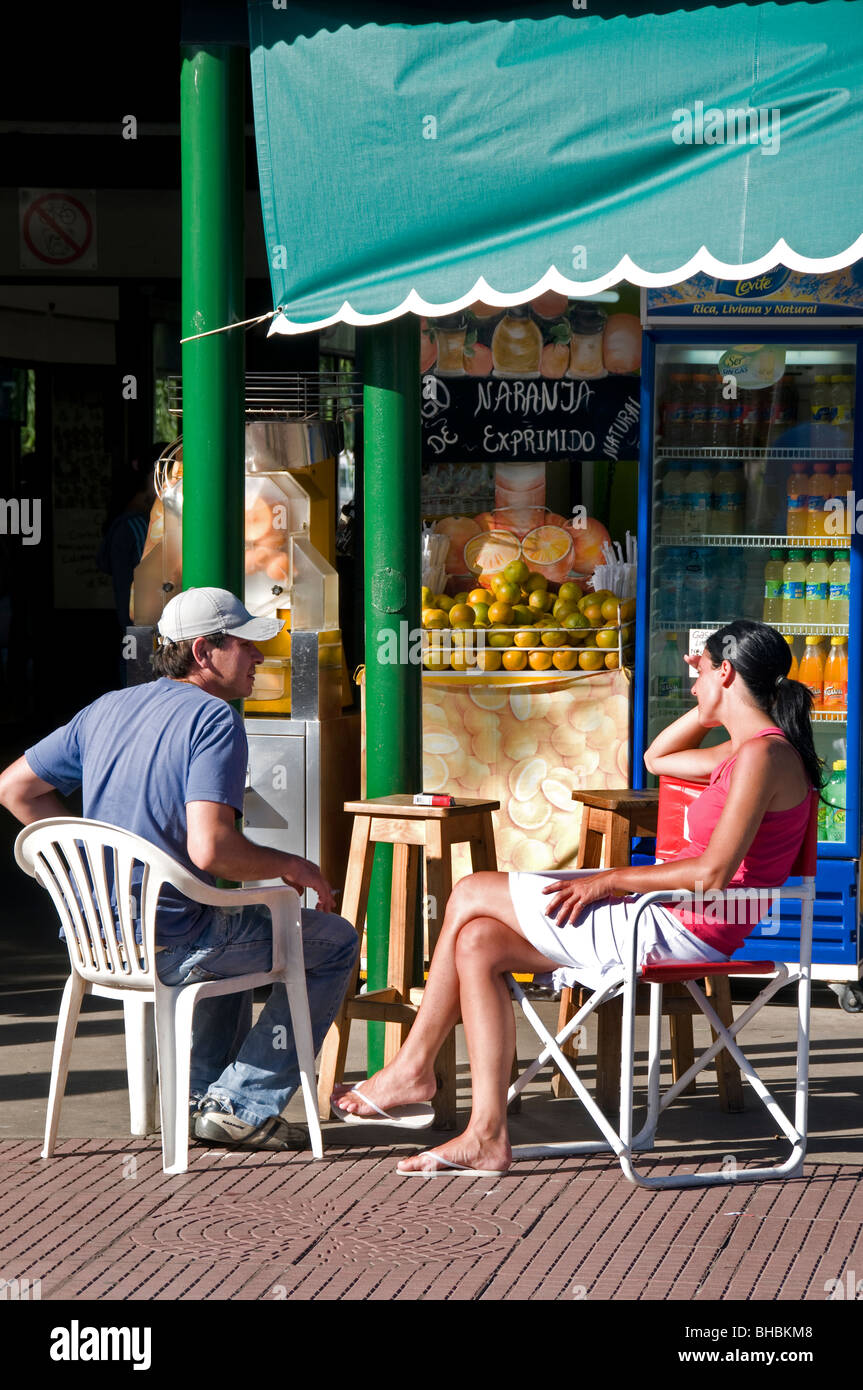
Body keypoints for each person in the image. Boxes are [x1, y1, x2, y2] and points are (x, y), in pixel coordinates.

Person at [332, 620, 821, 1177]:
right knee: (478, 942)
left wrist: (607, 881)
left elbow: (714, 872)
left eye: (702, 672)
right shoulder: (744, 751)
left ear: (727, 672)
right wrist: (713, 701)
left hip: (681, 929)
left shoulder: (762, 757)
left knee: (470, 891)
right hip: (665, 916)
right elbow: (658, 760)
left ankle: (414, 1066)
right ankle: (486, 1135)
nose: (692, 683)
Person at [0, 587, 358, 1152]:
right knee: (332, 939)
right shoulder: (215, 720)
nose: (260, 658)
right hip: (171, 942)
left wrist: (81, 872)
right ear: (203, 651)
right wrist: (295, 864)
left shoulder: (106, 708)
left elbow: (14, 787)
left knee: (239, 920)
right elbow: (212, 850)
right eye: (245, 646)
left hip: (99, 941)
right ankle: (241, 1105)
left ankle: (198, 1098)